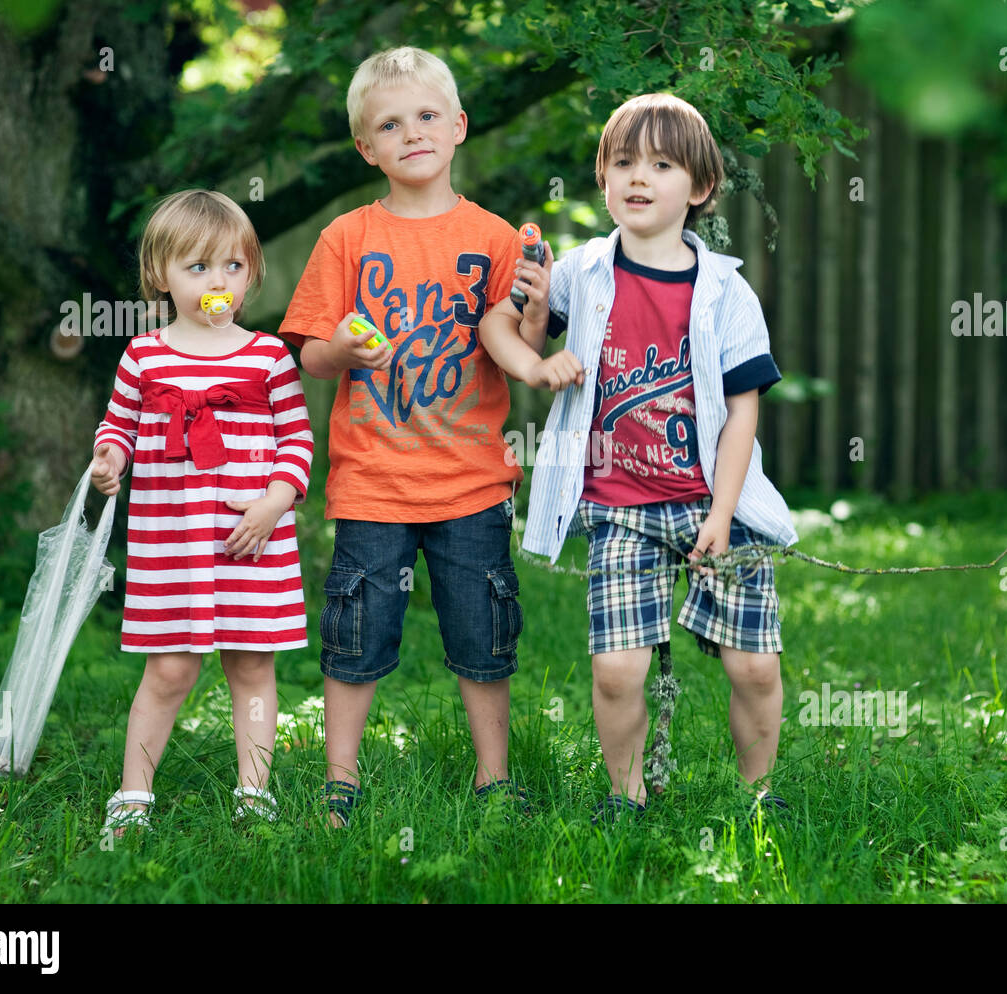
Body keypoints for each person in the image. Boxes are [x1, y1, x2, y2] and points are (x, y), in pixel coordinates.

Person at [479, 93, 801, 824]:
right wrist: (534, 316)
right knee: (619, 670)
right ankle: (625, 796)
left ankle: (759, 795)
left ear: (700, 187)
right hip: (620, 507)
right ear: (602, 179)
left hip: (719, 506)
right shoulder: (582, 273)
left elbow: (744, 408)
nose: (638, 177)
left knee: (753, 663)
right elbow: (519, 341)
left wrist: (720, 512)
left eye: (660, 164)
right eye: (622, 162)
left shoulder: (726, 291)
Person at [279, 47, 528, 828]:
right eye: (390, 124)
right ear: (366, 147)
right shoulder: (346, 238)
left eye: (426, 116)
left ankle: (495, 780)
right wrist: (345, 351)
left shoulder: (494, 239)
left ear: (457, 126)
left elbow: (515, 342)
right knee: (356, 637)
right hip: (373, 483)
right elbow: (310, 355)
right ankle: (339, 781)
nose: (411, 132)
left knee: (484, 639)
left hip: (471, 482)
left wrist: (541, 309)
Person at [91, 189, 314, 835]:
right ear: (162, 276)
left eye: (233, 267)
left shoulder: (269, 356)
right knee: (169, 668)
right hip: (172, 544)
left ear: (251, 272)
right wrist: (111, 459)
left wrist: (274, 503)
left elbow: (298, 442)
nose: (219, 282)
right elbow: (119, 428)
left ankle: (254, 794)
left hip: (252, 540)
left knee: (251, 665)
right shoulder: (145, 355)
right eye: (198, 268)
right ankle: (133, 798)